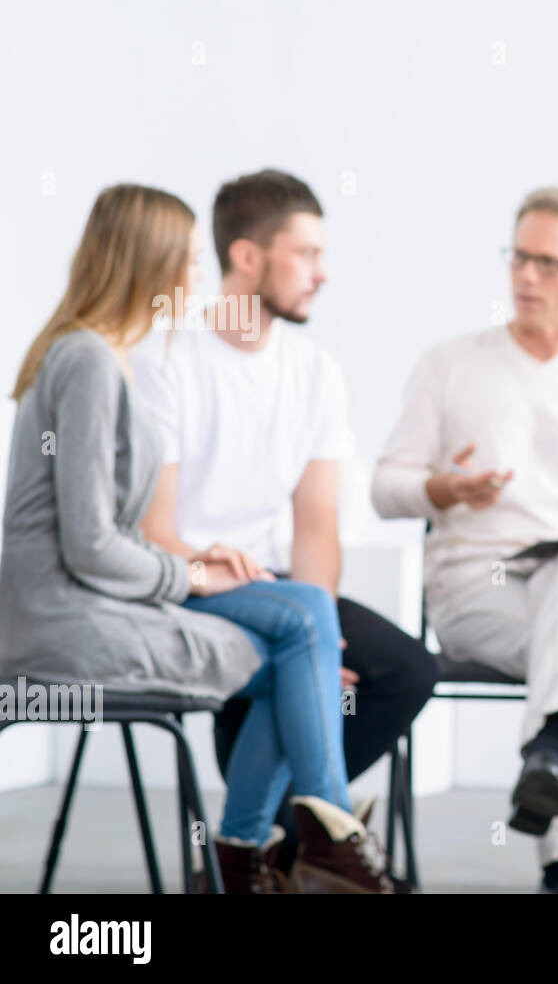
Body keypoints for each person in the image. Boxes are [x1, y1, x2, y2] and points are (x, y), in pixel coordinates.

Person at [0, 184, 390, 894]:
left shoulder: (100, 355)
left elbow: (103, 532)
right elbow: (89, 544)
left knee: (298, 633)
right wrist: (194, 577)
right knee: (298, 632)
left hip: (94, 602)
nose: (197, 277)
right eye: (184, 261)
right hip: (62, 620)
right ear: (145, 265)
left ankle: (246, 858)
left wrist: (197, 559)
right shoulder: (89, 359)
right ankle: (312, 838)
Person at [132, 169, 437, 891]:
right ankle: (327, 825)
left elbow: (317, 527)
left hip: (277, 590)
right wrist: (307, 633)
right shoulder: (165, 361)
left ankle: (250, 850)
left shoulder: (314, 371)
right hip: (188, 581)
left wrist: (318, 632)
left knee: (404, 668)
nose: (322, 273)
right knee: (299, 636)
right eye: (305, 254)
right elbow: (157, 532)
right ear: (247, 256)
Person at [371, 187, 558, 893]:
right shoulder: (448, 363)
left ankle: (548, 752)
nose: (527, 276)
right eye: (518, 257)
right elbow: (385, 487)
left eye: (548, 261)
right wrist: (446, 488)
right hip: (478, 586)